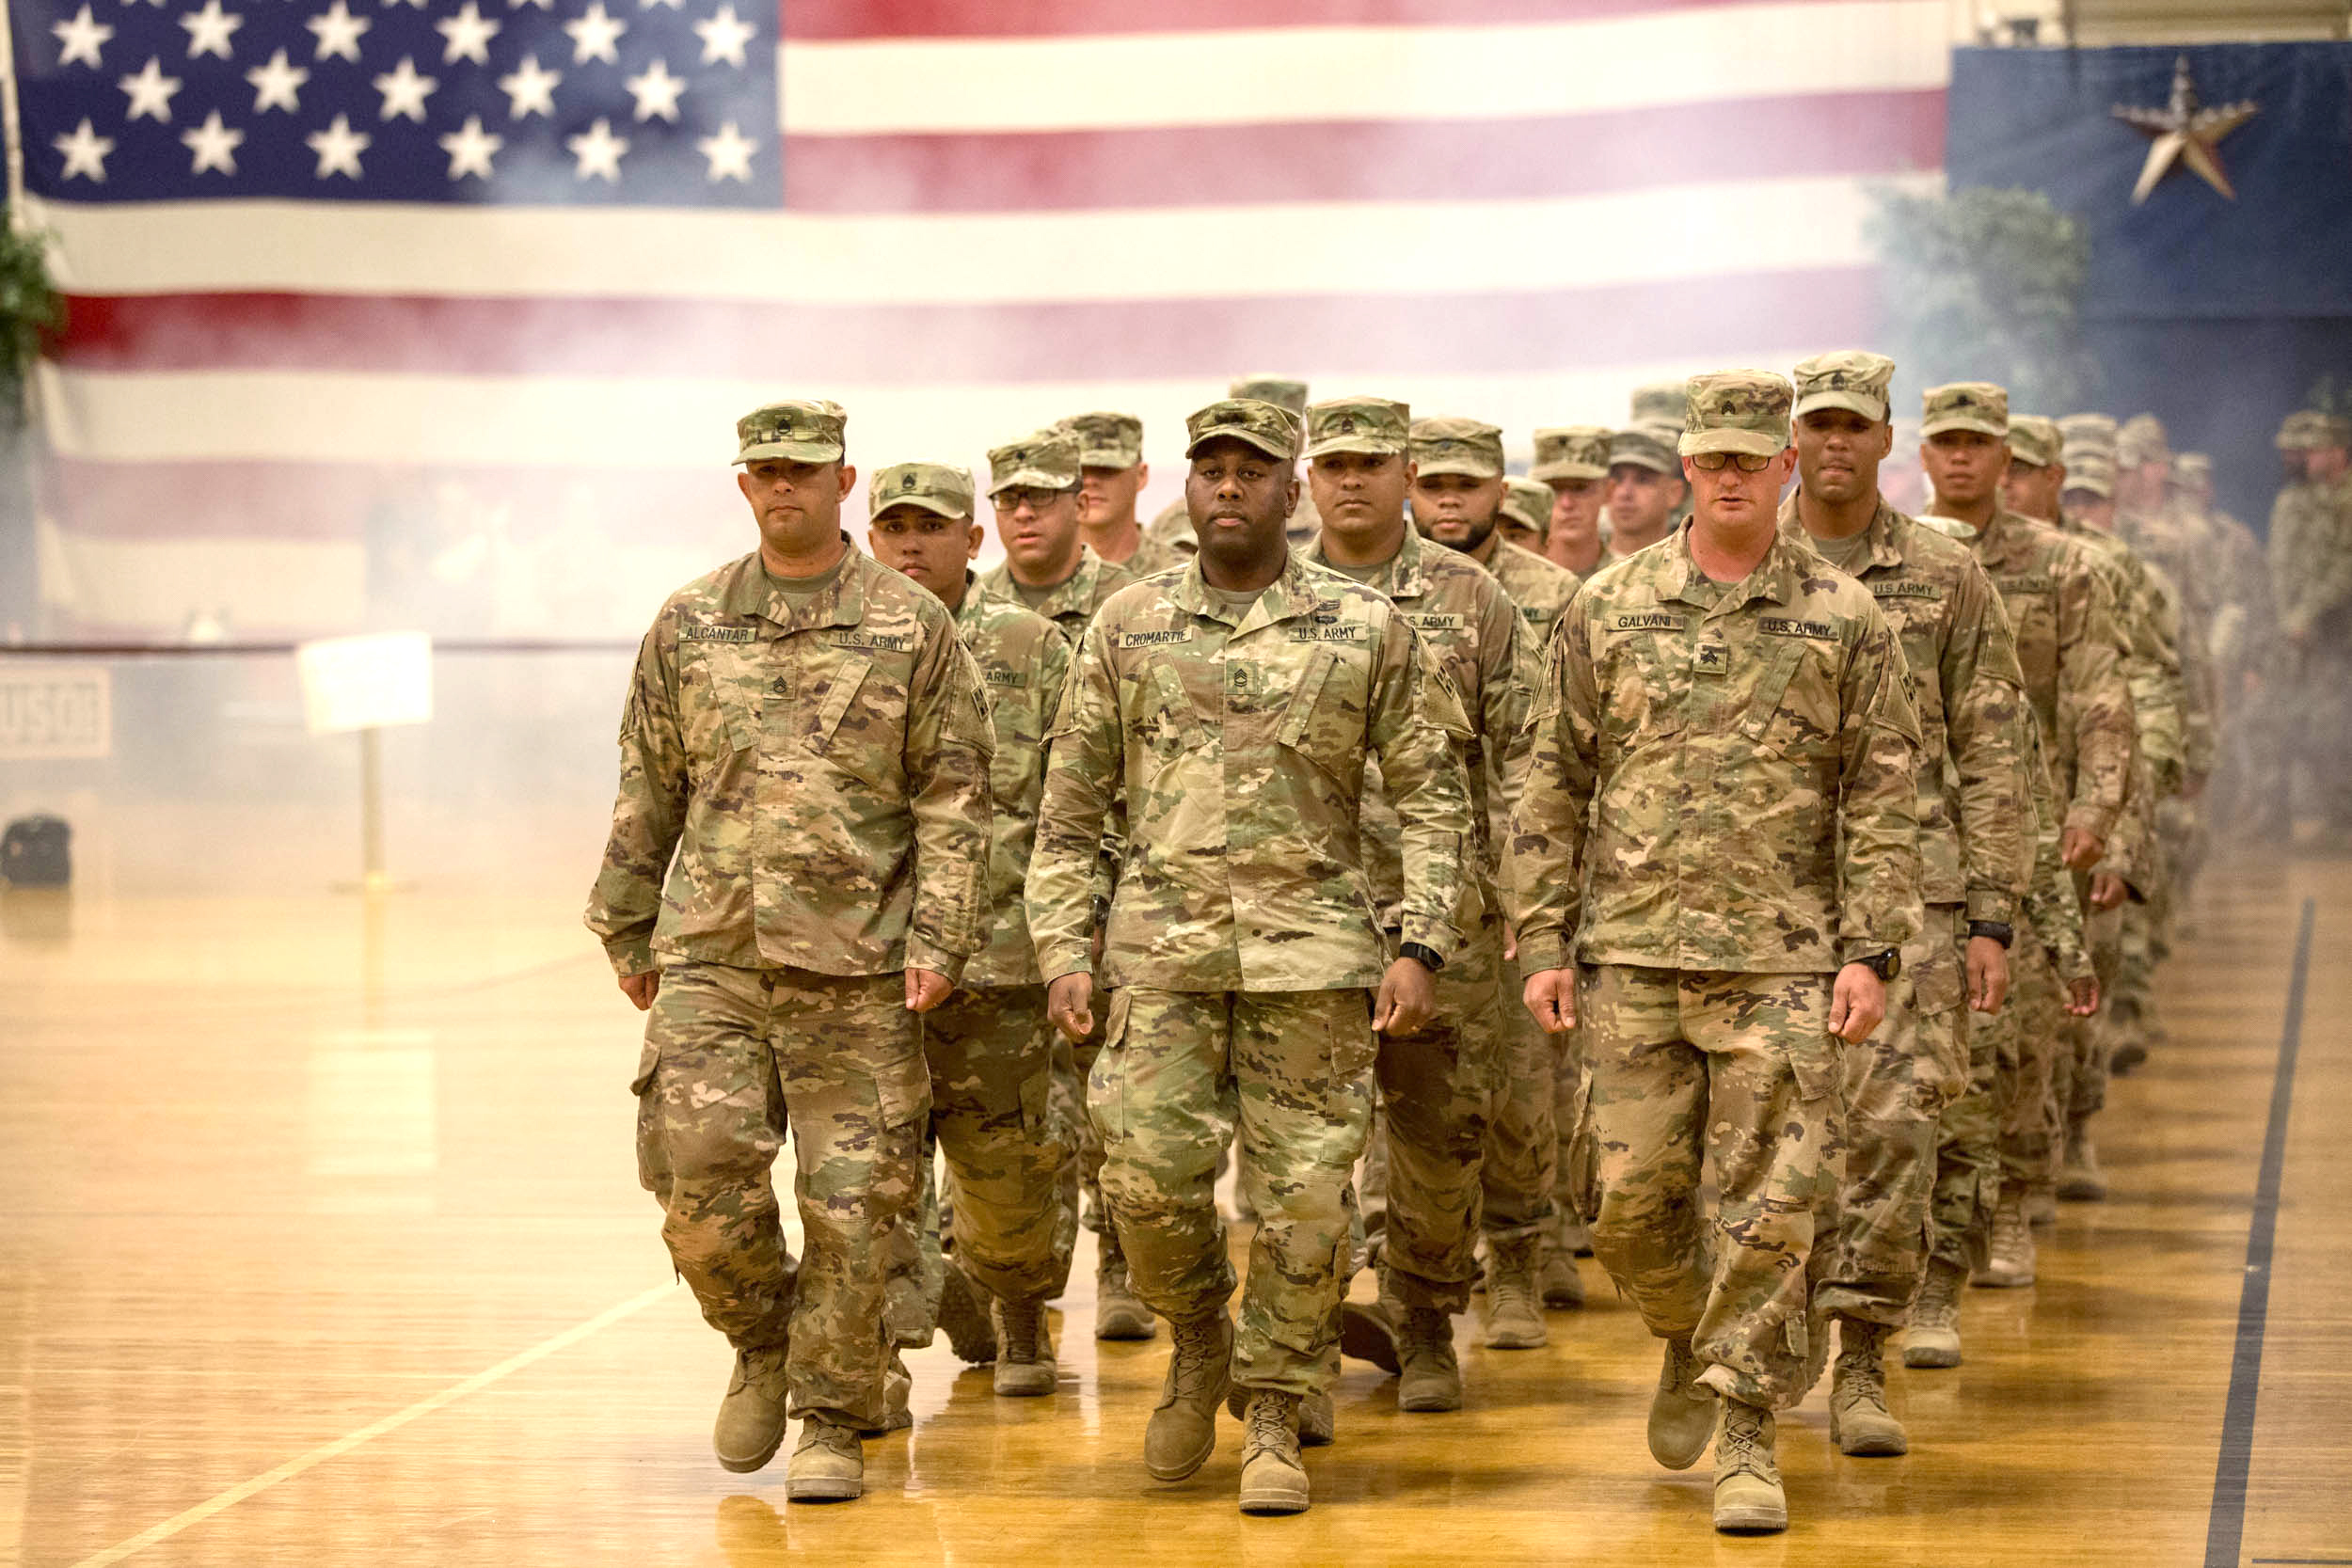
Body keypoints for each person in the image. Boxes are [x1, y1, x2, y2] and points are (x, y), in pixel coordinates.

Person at [1025, 397, 1472, 1516]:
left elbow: (1432, 797)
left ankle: (1274, 1401)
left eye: (1252, 470)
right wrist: (1063, 947)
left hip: (1313, 965)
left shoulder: (1362, 625)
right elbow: (1068, 812)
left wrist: (1420, 941)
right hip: (1160, 961)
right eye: (1211, 468)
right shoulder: (1126, 624)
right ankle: (1198, 1338)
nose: (1228, 487)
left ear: (1290, 486)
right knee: (1140, 1177)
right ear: (1187, 485)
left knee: (1307, 1201)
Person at [1514, 369, 1923, 1536]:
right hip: (1632, 954)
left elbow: (1882, 794)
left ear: (1785, 464)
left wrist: (1871, 950)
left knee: (1770, 1204)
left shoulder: (1845, 615)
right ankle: (1686, 1329)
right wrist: (1541, 935)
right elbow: (1553, 776)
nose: (1733, 475)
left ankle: (1746, 1421)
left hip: (1782, 961)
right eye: (1714, 458)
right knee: (1627, 1209)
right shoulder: (1607, 605)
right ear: (1686, 466)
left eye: (1754, 456)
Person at [585, 399, 995, 1502]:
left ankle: (829, 1412)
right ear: (743, 483)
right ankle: (764, 1340)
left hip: (861, 963)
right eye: (765, 469)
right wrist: (625, 917)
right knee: (698, 1184)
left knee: (857, 1206)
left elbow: (955, 796)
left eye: (802, 470)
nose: (782, 486)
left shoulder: (910, 625)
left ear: (842, 481)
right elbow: (648, 779)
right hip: (712, 951)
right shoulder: (689, 621)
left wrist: (942, 932)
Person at [1777, 352, 2030, 1454]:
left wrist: (1991, 914)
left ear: (1888, 441)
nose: (1835, 441)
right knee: (1762, 1136)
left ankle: (1861, 1354)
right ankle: (1756, 1337)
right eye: (1818, 423)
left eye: (1855, 424)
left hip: (1912, 898)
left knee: (1891, 1131)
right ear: (1792, 439)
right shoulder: (1742, 557)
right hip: (1760, 897)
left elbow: (1994, 745)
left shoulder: (1942, 572)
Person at [1299, 397, 1528, 1410]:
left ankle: (1426, 1317)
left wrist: (1525, 896)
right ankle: (1301, 1335)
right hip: (1305, 915)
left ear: (1406, 474)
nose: (1351, 479)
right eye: (1333, 463)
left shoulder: (1471, 597)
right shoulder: (1274, 590)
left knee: (1440, 1140)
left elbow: (1528, 757)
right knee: (1304, 1144)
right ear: (1309, 481)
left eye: (1371, 462)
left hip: (1447, 918)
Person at [866, 462, 1078, 1408]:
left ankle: (1018, 1306)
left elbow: (1081, 793)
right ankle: (872, 1353)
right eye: (894, 526)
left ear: (973, 538)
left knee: (1007, 1169)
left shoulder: (1032, 647)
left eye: (932, 525)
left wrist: (1073, 930)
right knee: (868, 1171)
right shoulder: (846, 642)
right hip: (869, 956)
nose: (911, 543)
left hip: (1000, 956)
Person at [1919, 387, 2133, 1284]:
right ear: (1921, 454)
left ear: (2009, 459)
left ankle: (2010, 1199)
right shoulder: (1903, 561)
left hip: (2032, 824)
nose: (1962, 457)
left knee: (2022, 1030)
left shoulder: (2064, 565)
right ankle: (1932, 1219)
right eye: (1947, 441)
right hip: (1918, 829)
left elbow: (2102, 697)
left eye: (1979, 442)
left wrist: (2099, 812)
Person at [1409, 414, 1587, 1338]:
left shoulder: (1552, 596)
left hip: (1500, 878)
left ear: (1499, 491)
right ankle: (1409, 1278)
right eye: (1433, 483)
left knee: (1520, 1083)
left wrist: (1534, 890)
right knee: (1406, 1091)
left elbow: (1553, 751)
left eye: (1466, 484)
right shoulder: (1356, 591)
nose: (1449, 501)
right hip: (1390, 878)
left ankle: (1520, 1252)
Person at [973, 428, 1137, 1328]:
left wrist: (1099, 897)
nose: (1026, 513)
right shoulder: (967, 612)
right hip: (996, 909)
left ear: (1082, 501)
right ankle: (1014, 1305)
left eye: (1043, 496)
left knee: (1112, 1097)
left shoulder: (1130, 604)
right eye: (1010, 499)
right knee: (1017, 1116)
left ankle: (1122, 1264)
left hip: (1107, 893)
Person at [2270, 410, 2352, 847]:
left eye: (2314, 450)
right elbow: (2287, 565)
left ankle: (2343, 821)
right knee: (2307, 723)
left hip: (2338, 634)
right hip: (2308, 636)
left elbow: (2343, 567)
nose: (2305, 458)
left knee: (2333, 725)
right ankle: (2333, 819)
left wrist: (2306, 612)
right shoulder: (2303, 498)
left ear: (2338, 452)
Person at [1144, 375, 1324, 557]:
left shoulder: (1325, 515)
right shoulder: (1174, 520)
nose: (1229, 489)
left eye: (1278, 430)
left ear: (1301, 438)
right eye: (1212, 472)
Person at [1060, 410, 1184, 577]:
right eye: (1077, 471)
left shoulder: (1180, 575)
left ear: (1141, 476)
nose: (1090, 481)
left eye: (1106, 469)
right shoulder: (1037, 574)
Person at [1531, 425, 1612, 576]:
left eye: (1580, 488)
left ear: (1608, 491)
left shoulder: (1632, 579)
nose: (1567, 504)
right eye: (1554, 489)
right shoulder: (1511, 578)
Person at [1603, 423, 1689, 560]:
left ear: (1674, 493)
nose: (1625, 493)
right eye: (1617, 479)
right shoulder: (1579, 564)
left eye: (1642, 480)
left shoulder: (1691, 566)